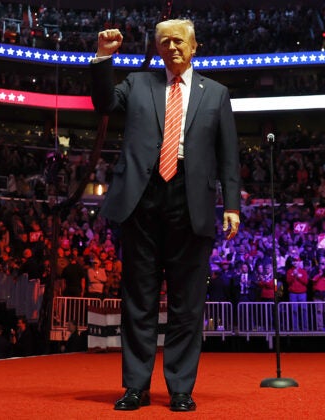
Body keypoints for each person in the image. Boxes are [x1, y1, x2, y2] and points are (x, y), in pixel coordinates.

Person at [92, 19, 241, 412]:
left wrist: (233, 206)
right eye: (164, 42)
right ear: (157, 48)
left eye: (179, 41)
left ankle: (180, 389)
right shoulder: (138, 83)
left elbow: (229, 155)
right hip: (141, 201)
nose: (172, 47)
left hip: (192, 202)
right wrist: (104, 58)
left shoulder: (218, 94)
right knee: (138, 301)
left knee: (187, 305)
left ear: (195, 47)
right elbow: (104, 103)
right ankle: (135, 387)